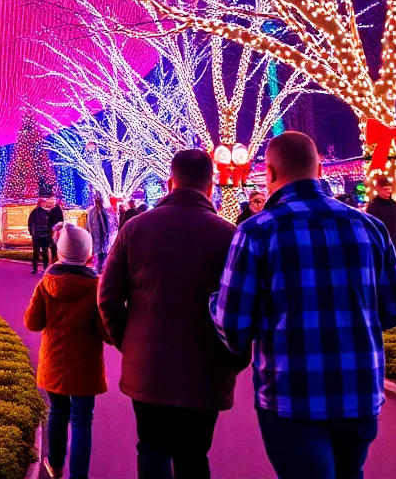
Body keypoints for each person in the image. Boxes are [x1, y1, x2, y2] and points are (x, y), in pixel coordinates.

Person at [210, 132, 396, 479]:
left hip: (291, 392)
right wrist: (354, 322)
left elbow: (233, 324)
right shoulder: (369, 226)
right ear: (320, 169)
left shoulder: (257, 231)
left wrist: (216, 302)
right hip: (359, 388)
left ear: (270, 174)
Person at [99, 150, 249, 479]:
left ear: (169, 183)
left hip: (148, 366)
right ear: (211, 187)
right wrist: (234, 357)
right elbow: (244, 306)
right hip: (207, 366)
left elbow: (107, 297)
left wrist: (129, 343)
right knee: (194, 453)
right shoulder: (230, 236)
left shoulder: (135, 229)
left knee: (152, 446)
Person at [25, 222, 109, 479]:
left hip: (55, 363)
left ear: (60, 252)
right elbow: (106, 332)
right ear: (88, 255)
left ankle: (55, 464)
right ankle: (78, 475)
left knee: (57, 412)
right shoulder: (96, 288)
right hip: (85, 366)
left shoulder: (45, 284)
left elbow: (32, 322)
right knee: (82, 421)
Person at [365, 176, 396, 279]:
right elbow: (369, 231)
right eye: (385, 189)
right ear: (378, 190)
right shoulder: (373, 208)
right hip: (382, 250)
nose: (388, 191)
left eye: (389, 188)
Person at [84, 194, 115, 274]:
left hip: (103, 234)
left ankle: (101, 266)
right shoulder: (92, 212)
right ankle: (98, 267)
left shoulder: (104, 212)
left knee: (103, 251)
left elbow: (108, 223)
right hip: (96, 235)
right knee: (97, 251)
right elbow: (89, 224)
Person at [29, 188, 54, 275]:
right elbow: (49, 224)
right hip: (43, 235)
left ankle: (36, 269)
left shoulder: (34, 212)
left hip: (37, 235)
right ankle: (44, 268)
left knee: (37, 252)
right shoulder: (45, 212)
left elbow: (30, 223)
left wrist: (32, 233)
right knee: (44, 251)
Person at [48, 198, 65, 262]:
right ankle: (55, 258)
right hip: (56, 229)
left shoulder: (57, 209)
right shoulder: (56, 209)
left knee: (54, 244)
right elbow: (58, 220)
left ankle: (55, 258)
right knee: (55, 244)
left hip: (56, 229)